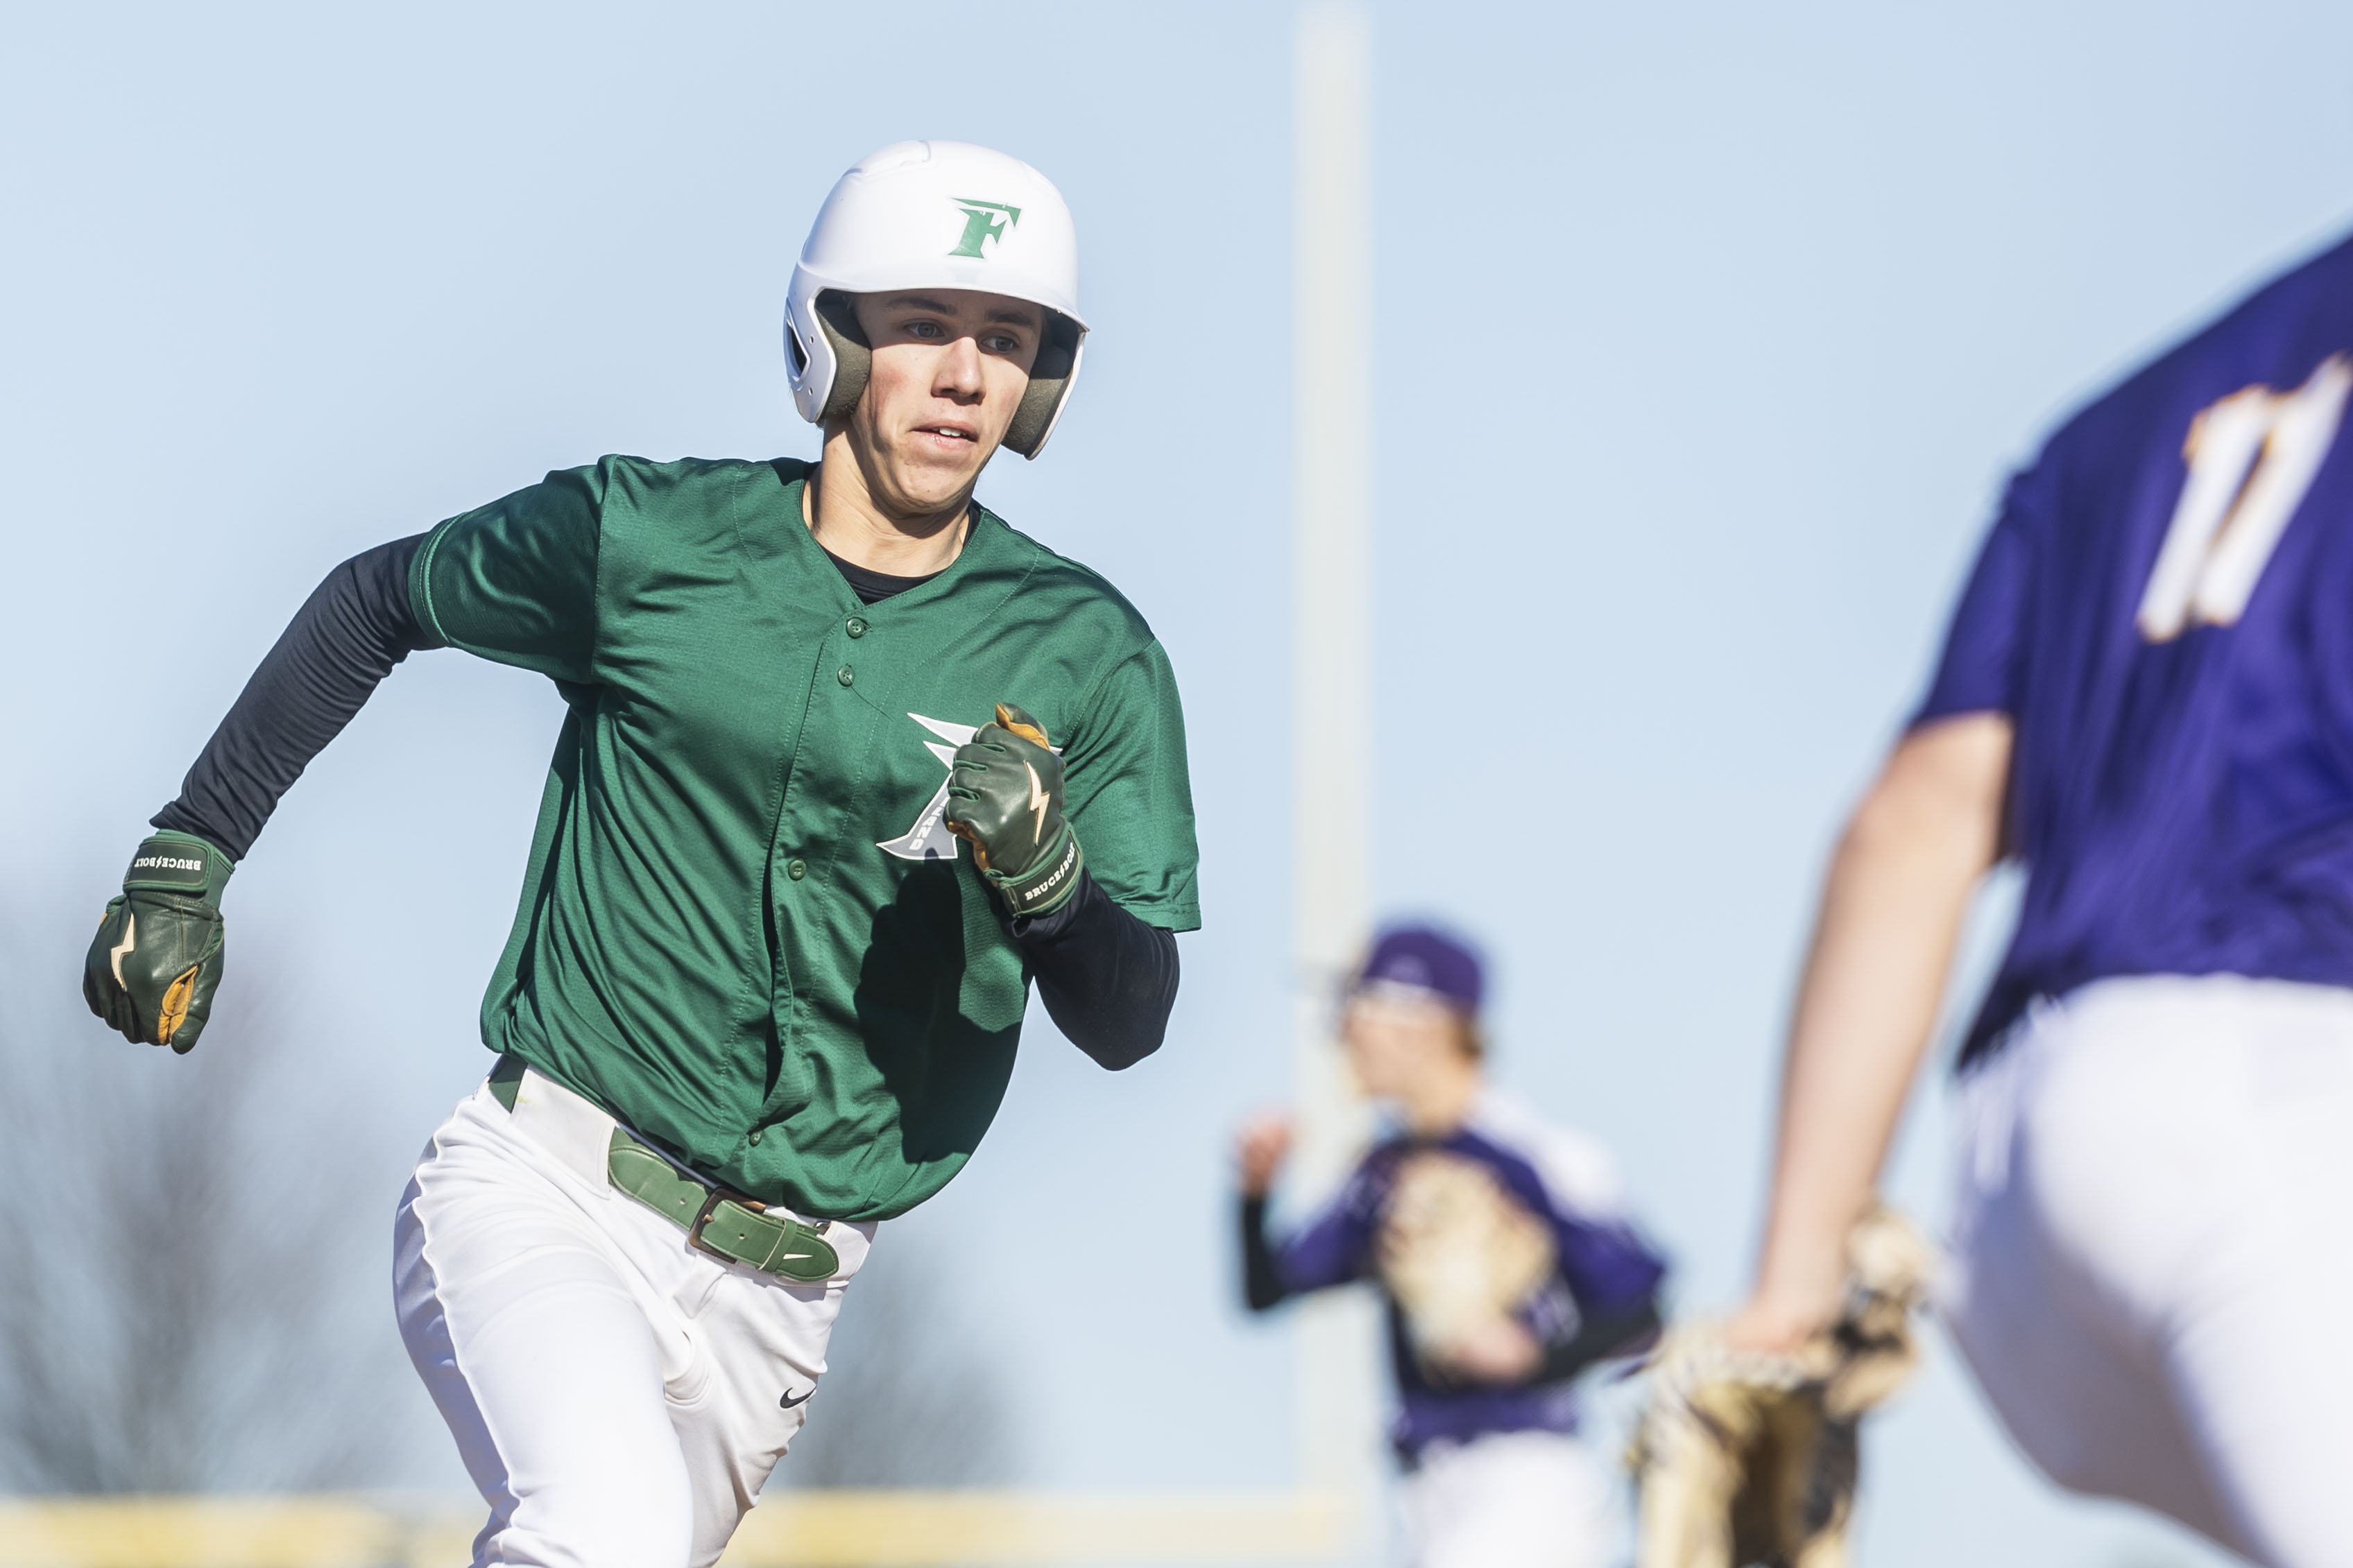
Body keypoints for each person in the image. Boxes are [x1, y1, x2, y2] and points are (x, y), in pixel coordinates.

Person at [80, 139, 1201, 1568]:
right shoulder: (648, 538)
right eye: (923, 325)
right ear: (833, 337)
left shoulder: (1088, 653)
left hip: (786, 1293)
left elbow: (1131, 1018)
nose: (966, 374)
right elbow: (376, 599)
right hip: (546, 1185)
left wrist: (1051, 885)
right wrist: (190, 847)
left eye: (1008, 340)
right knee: (594, 1531)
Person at [1725, 232, 2353, 1567]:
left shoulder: (2140, 414)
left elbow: (1912, 827)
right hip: (2294, 1103)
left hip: (2034, 1203)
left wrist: (1785, 1299)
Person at [1234, 923, 1668, 1568]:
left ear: (1423, 1024)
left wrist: (1531, 1358)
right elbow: (1269, 1289)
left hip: (1524, 1481)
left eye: (1358, 1009)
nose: (1340, 1030)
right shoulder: (1384, 1172)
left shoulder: (1530, 1154)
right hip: (1427, 1492)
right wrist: (1254, 1198)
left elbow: (1644, 1312)